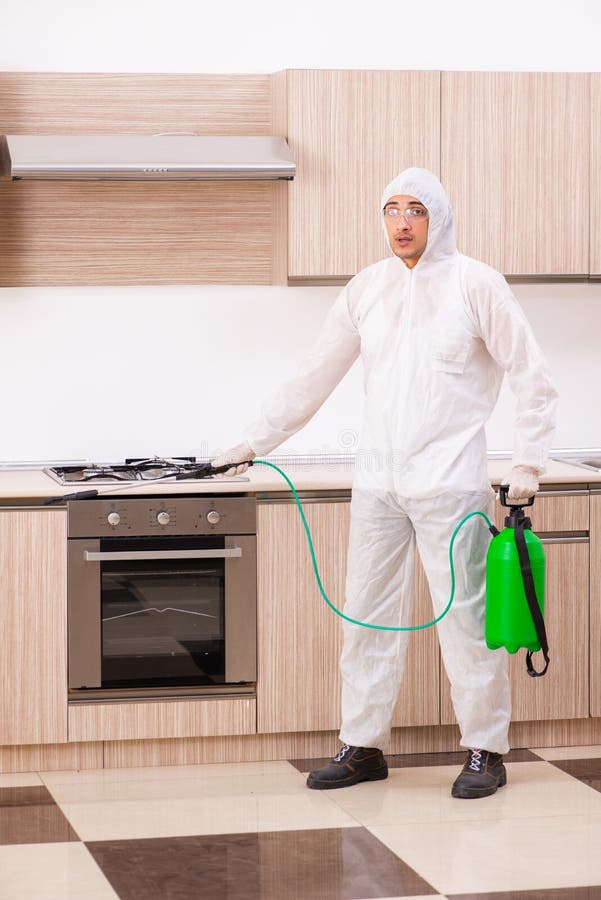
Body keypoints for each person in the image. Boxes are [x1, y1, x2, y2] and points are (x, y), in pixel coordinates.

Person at [212, 167, 557, 799]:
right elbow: (313, 375)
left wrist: (528, 462)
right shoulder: (366, 289)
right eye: (392, 209)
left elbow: (532, 376)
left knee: (468, 621)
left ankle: (485, 749)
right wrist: (252, 442)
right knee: (365, 619)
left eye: (416, 210)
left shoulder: (476, 285)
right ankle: (362, 745)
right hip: (378, 484)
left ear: (439, 218)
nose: (402, 222)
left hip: (450, 486)